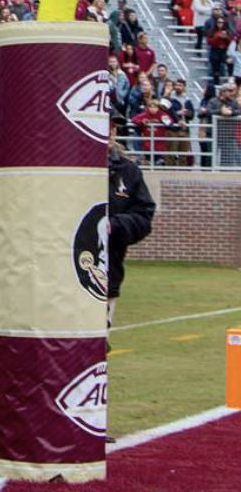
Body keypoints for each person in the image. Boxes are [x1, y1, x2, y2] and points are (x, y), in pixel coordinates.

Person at [106, 116, 156, 342]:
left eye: (113, 126)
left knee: (97, 348)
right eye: (103, 124)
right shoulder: (65, 167)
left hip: (108, 274)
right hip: (64, 274)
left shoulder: (128, 171)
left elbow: (144, 217)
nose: (109, 131)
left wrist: (113, 225)